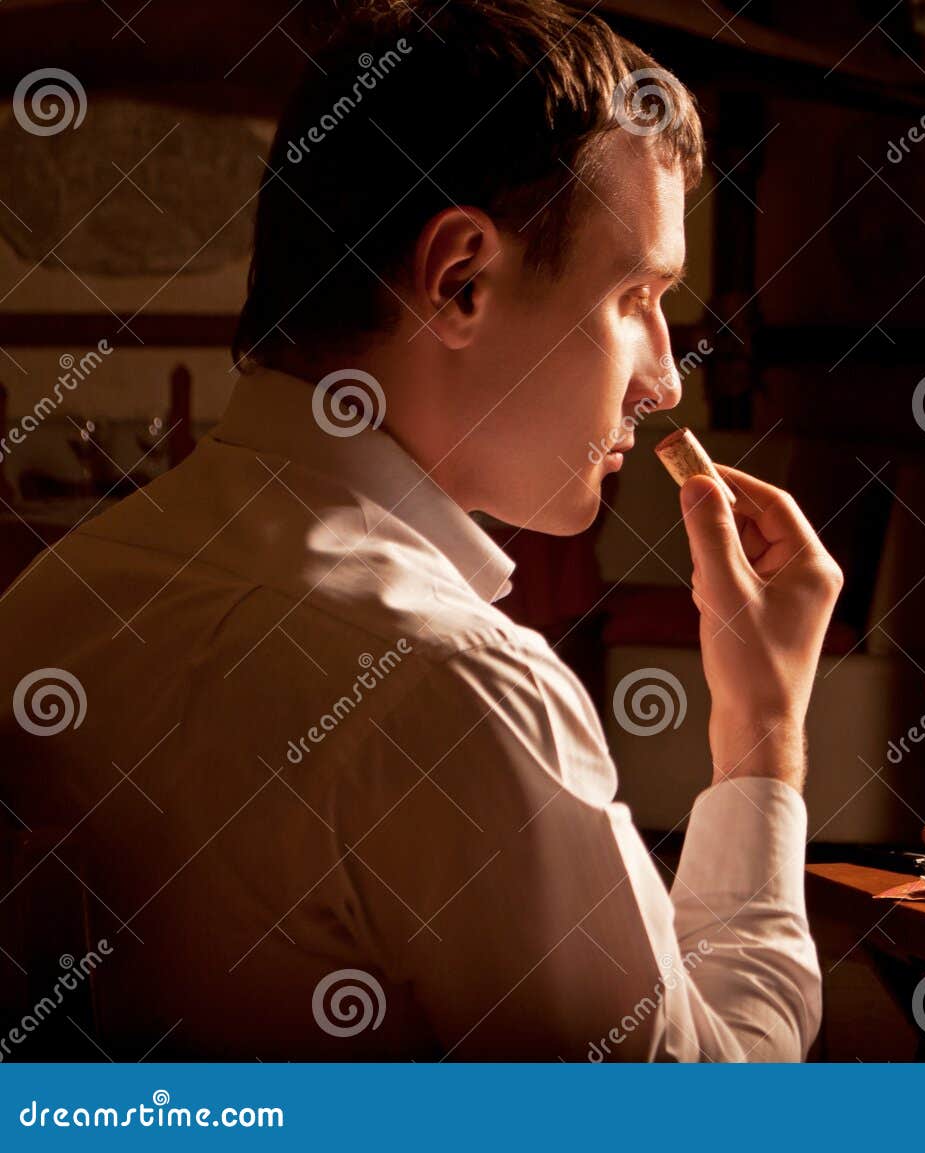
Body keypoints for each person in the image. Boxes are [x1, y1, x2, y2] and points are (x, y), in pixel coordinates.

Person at [0, 0, 841, 1060]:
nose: (664, 380)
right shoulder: (455, 689)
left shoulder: (52, 605)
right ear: (460, 280)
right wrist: (763, 733)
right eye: (635, 296)